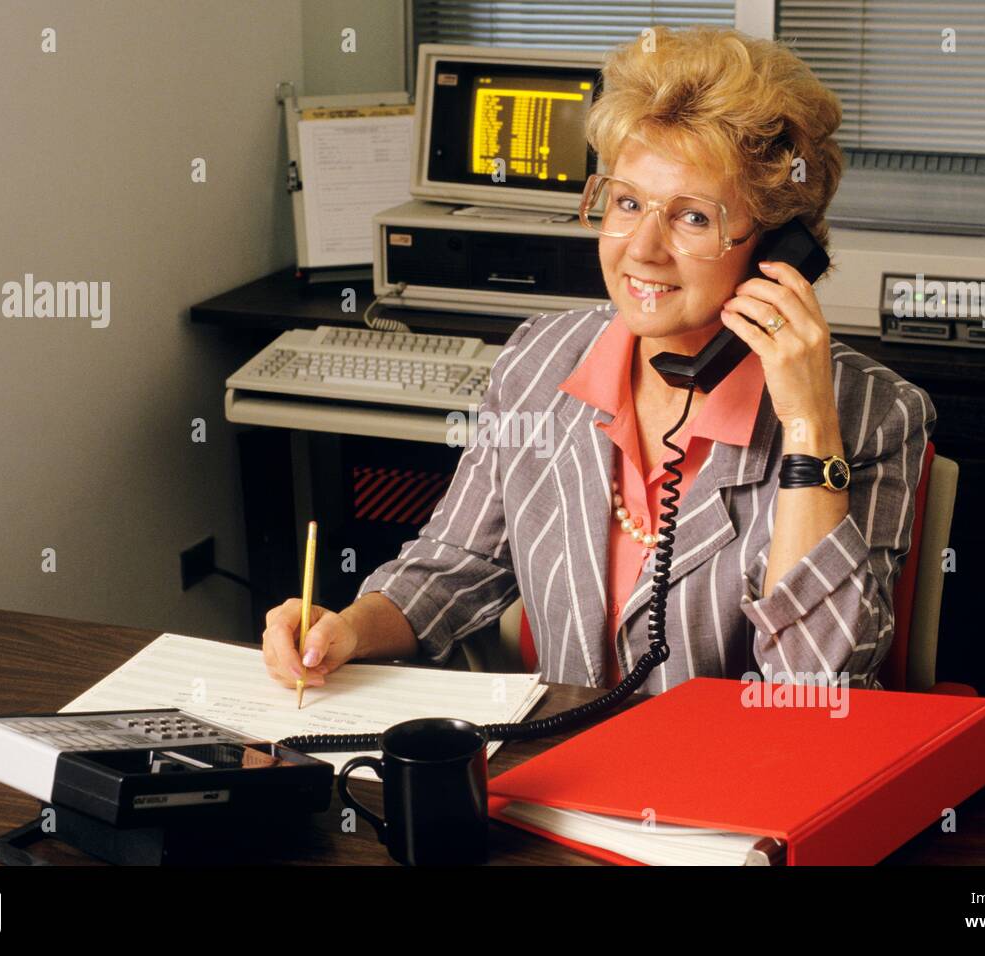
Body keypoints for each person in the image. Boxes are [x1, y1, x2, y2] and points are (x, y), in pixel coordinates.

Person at [264, 24, 934, 693]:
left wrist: (809, 426)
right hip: (558, 777)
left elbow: (817, 683)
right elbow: (452, 566)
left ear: (777, 250)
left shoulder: (871, 414)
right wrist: (348, 628)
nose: (641, 248)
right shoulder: (538, 363)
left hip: (737, 787)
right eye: (627, 202)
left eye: (693, 217)